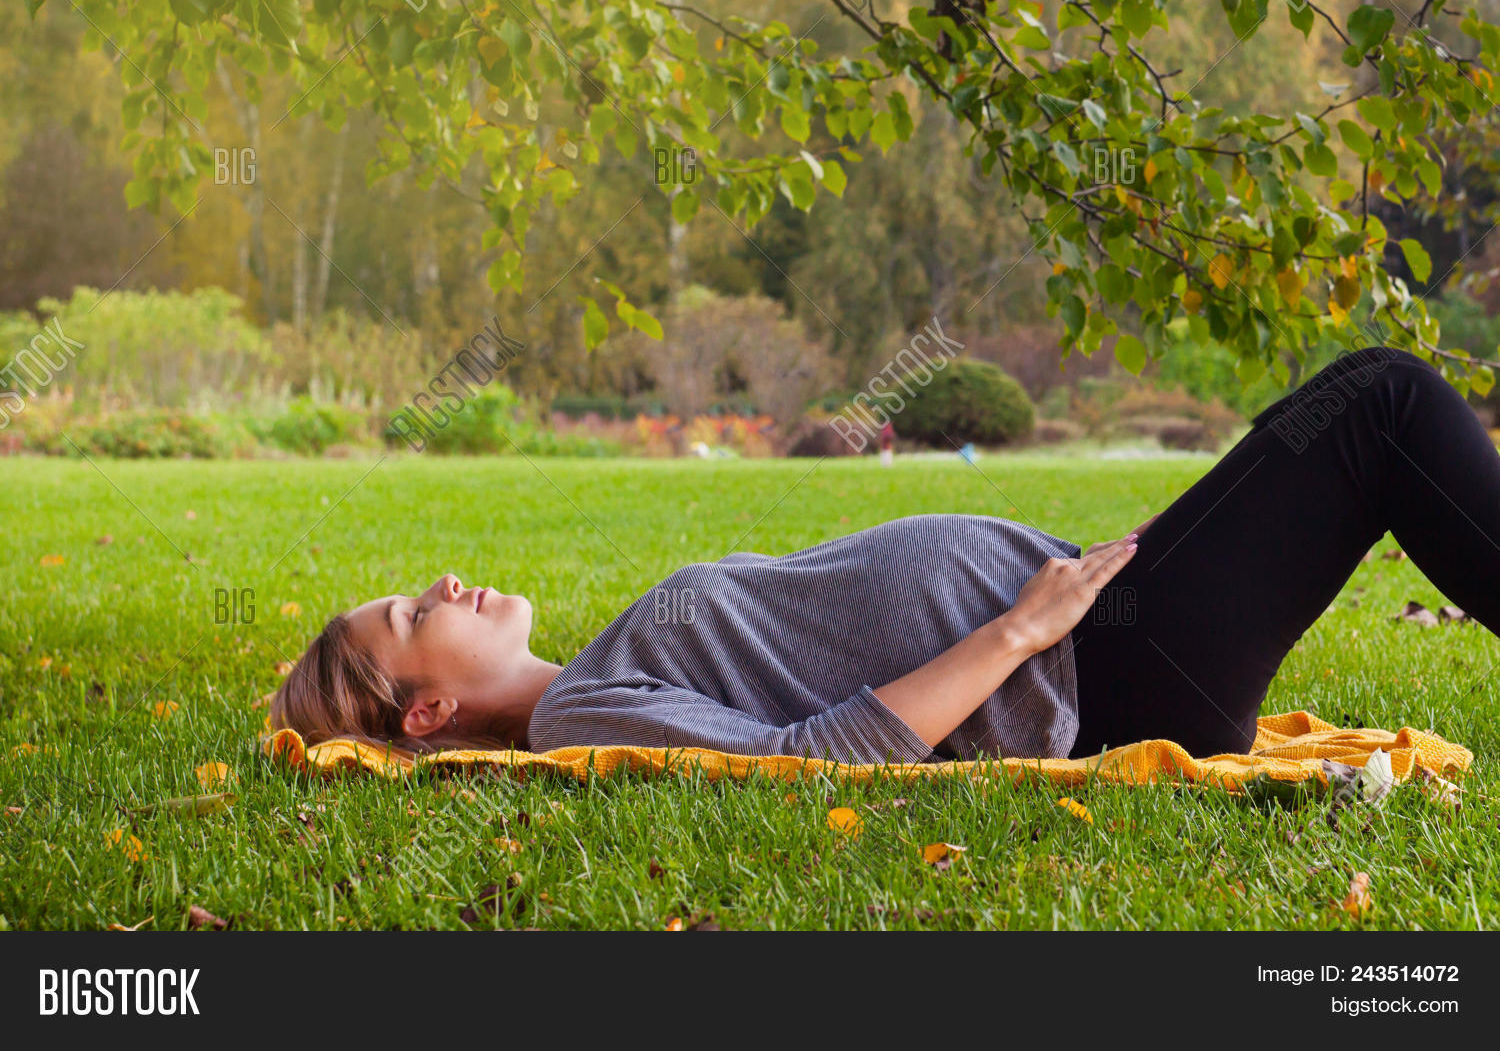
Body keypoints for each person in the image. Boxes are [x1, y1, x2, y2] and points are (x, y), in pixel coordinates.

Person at [270, 347, 1499, 763]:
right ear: (426, 709)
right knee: (1380, 405)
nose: (441, 584)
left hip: (1102, 631)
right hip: (1103, 673)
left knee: (1368, 410)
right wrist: (1021, 629)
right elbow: (817, 760)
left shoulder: (593, 679)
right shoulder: (582, 717)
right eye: (409, 613)